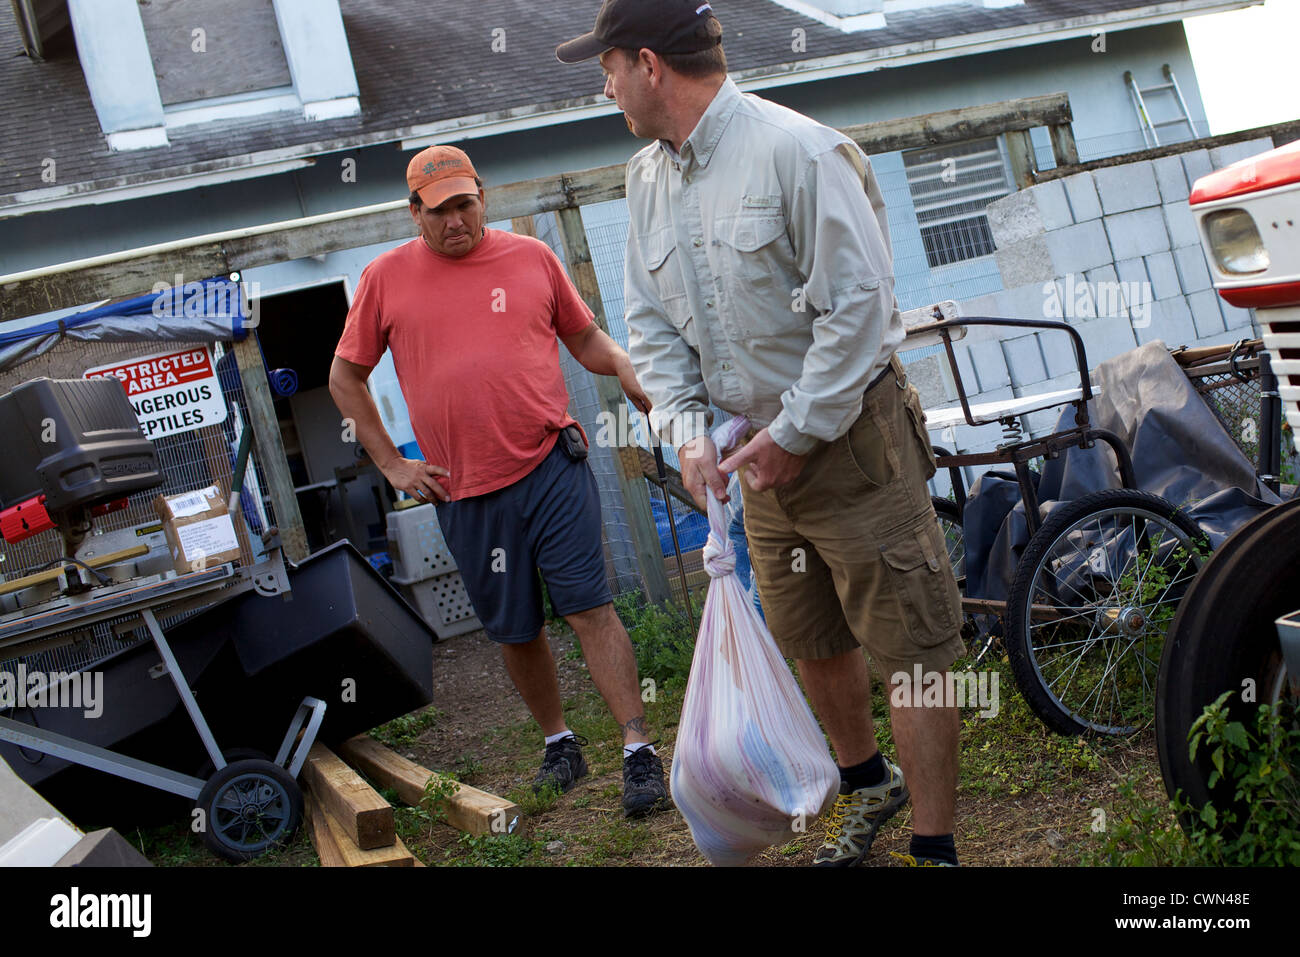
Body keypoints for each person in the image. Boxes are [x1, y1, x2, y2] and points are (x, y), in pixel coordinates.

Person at [558, 0, 965, 865]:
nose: (604, 85)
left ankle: (935, 847)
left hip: (851, 438)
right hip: (753, 456)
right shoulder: (646, 178)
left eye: (606, 67)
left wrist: (797, 430)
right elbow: (651, 324)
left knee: (915, 647)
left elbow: (860, 311)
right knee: (809, 632)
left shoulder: (796, 151)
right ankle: (868, 783)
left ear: (648, 64)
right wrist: (687, 428)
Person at [328, 144, 670, 818]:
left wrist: (625, 364)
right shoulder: (385, 278)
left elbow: (586, 339)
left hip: (551, 463)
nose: (455, 221)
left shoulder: (530, 258)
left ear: (482, 195)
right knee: (514, 630)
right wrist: (393, 465)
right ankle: (560, 742)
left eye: (465, 203)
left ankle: (638, 749)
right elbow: (345, 377)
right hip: (463, 490)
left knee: (589, 607)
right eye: (439, 211)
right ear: (414, 213)